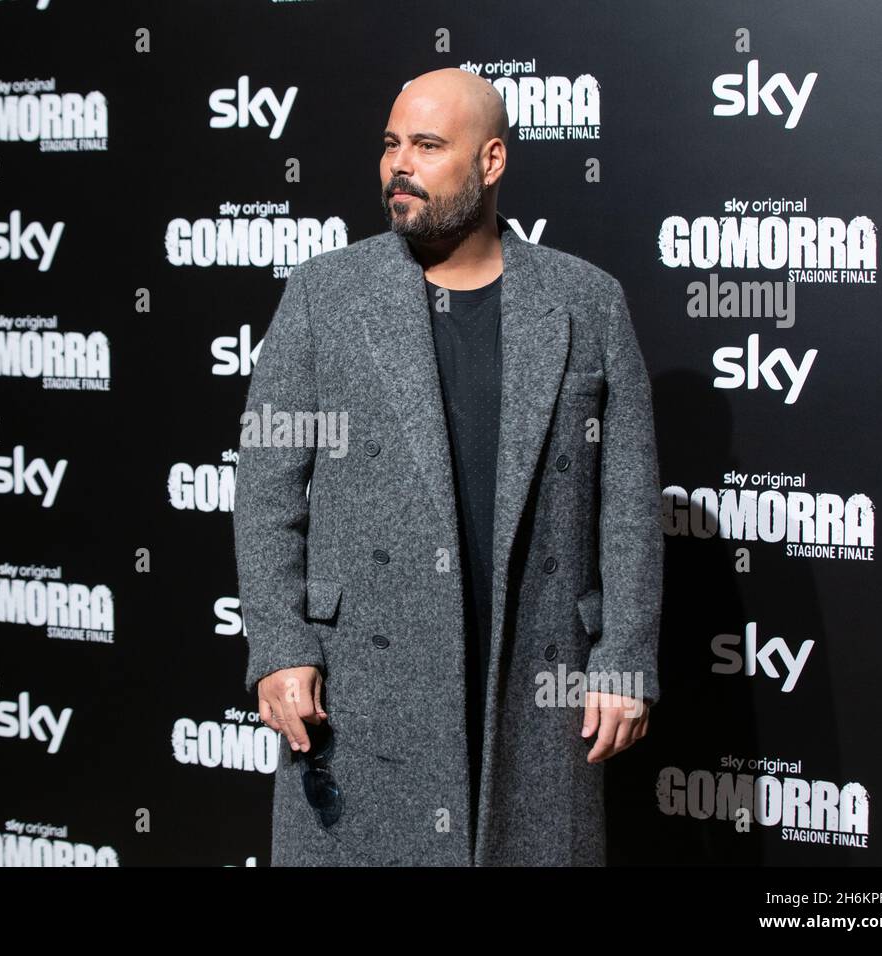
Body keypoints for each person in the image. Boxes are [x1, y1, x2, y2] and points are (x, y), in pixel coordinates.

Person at [233, 67, 663, 866]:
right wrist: (280, 642)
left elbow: (629, 501)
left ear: (491, 162)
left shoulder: (586, 301)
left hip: (538, 678)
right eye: (391, 145)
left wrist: (625, 656)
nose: (401, 164)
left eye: (428, 146)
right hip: (363, 680)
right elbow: (266, 484)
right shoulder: (325, 295)